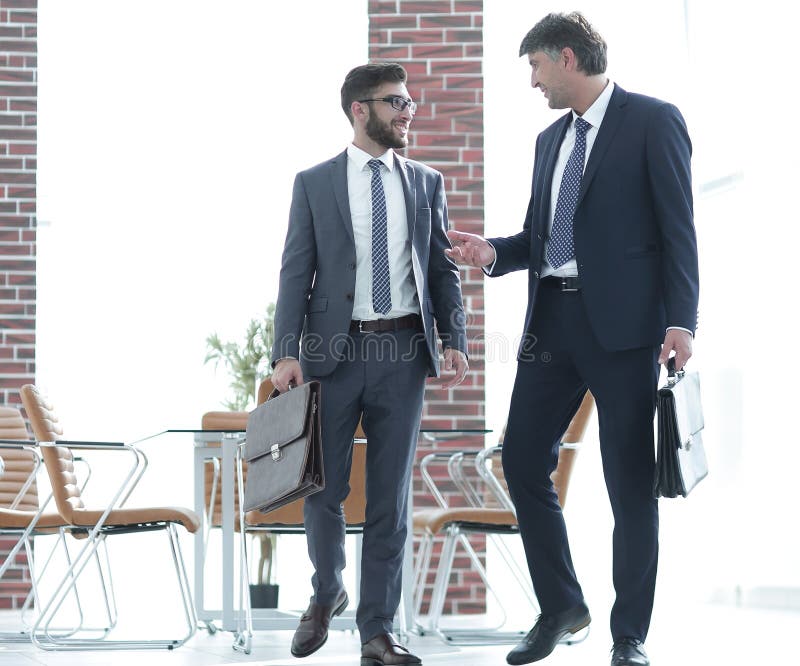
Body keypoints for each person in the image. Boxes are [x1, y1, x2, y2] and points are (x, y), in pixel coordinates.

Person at [445, 12, 698, 666]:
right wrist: (491, 252)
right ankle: (561, 605)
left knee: (629, 483)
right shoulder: (549, 140)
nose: (533, 82)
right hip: (552, 322)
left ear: (566, 56)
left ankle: (629, 636)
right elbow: (540, 237)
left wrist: (682, 320)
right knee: (522, 459)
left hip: (627, 330)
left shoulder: (653, 121)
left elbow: (679, 229)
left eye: (535, 66)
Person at [271, 62, 468, 666]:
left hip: (403, 352)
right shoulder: (314, 183)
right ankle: (327, 589)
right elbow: (295, 271)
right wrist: (284, 351)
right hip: (332, 355)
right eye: (395, 103)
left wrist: (454, 337)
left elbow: (441, 268)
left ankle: (377, 632)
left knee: (390, 498)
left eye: (410, 103)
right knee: (323, 488)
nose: (408, 112)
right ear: (360, 110)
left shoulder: (426, 182)